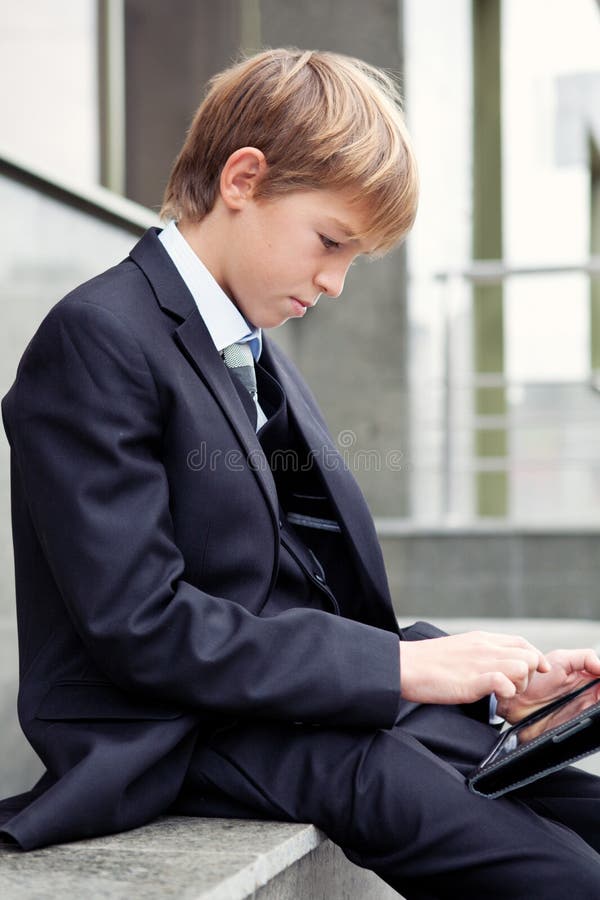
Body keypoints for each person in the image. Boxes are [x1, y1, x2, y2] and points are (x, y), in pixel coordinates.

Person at [1, 47, 600, 898]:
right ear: (243, 179)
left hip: (279, 708)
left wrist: (491, 684)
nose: (336, 282)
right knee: (560, 876)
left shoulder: (244, 344)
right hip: (180, 730)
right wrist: (400, 672)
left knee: (579, 806)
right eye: (331, 242)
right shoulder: (97, 338)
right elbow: (141, 626)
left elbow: (290, 596)